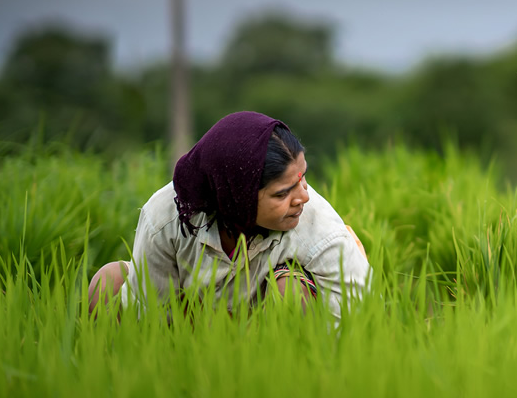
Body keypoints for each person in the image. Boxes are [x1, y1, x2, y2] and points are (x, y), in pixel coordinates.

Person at [88, 111, 371, 320]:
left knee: (291, 292)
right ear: (239, 197)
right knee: (109, 281)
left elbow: (356, 313)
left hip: (261, 338)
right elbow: (147, 314)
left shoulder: (316, 221)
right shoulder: (165, 217)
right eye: (282, 193)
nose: (303, 197)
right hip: (190, 327)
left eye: (303, 178)